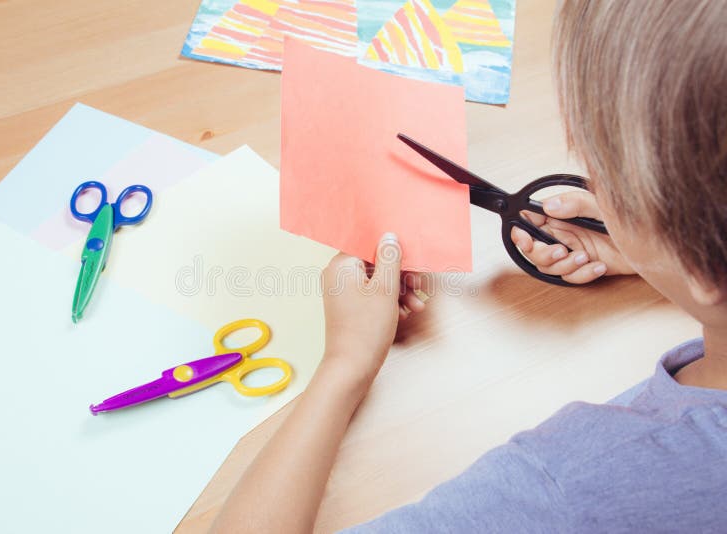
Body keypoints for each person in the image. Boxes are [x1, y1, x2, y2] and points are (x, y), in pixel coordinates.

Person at [209, 0, 727, 531]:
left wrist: (344, 365)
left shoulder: (572, 486)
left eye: (605, 168)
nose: (596, 182)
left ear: (703, 271)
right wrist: (653, 252)